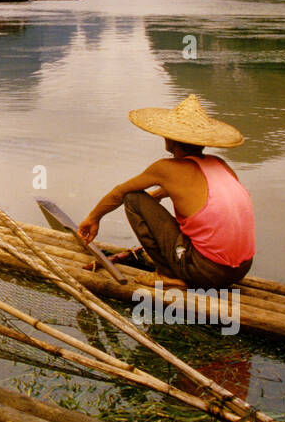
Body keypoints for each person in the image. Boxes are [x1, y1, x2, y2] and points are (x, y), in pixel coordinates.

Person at [78, 94, 254, 288]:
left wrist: (93, 218)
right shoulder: (220, 165)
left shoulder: (166, 169)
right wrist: (155, 199)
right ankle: (185, 264)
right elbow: (195, 195)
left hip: (205, 273)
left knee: (133, 199)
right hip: (240, 270)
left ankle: (167, 274)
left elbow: (120, 192)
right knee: (146, 203)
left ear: (170, 141)